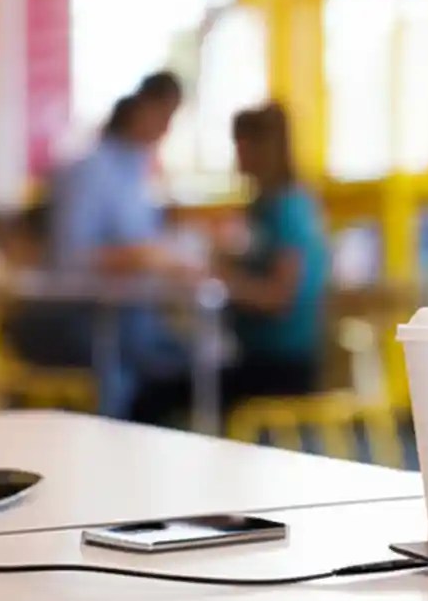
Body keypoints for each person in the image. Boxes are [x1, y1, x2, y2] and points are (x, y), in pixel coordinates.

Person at [134, 102, 329, 426]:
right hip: (260, 357)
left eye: (240, 146)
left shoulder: (288, 210)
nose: (236, 156)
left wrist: (222, 279)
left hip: (281, 366)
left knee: (151, 398)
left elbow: (279, 297)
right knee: (171, 369)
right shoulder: (268, 207)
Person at [48, 71, 194, 418]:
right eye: (162, 116)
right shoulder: (91, 170)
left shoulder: (139, 171)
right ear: (141, 110)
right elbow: (70, 256)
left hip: (136, 319)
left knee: (202, 362)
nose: (165, 129)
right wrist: (140, 257)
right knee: (145, 374)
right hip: (90, 321)